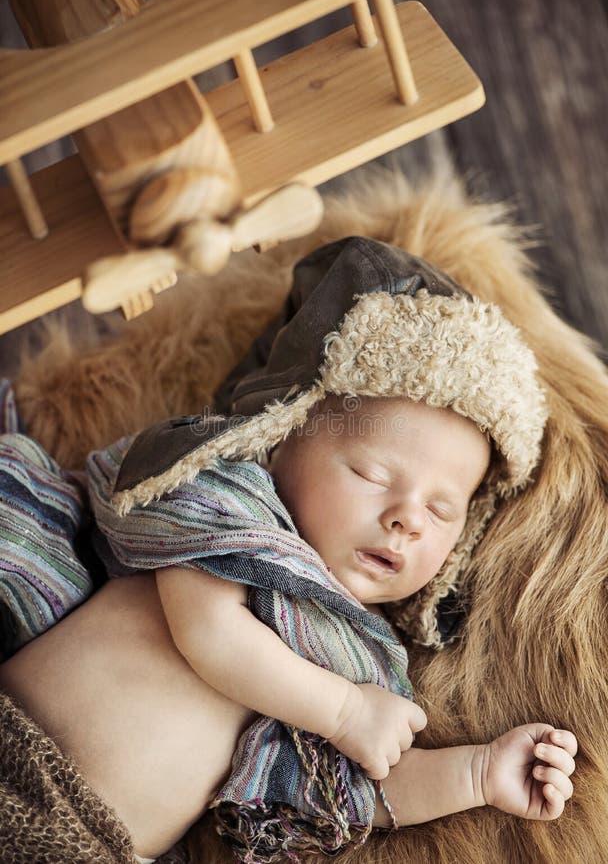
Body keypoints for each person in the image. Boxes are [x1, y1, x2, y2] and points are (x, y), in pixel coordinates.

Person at [0, 238, 576, 864]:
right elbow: (208, 632)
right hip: (17, 753)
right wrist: (345, 713)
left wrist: (478, 774)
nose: (408, 519)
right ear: (280, 439)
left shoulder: (357, 655)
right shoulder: (231, 505)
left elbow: (352, 793)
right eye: (372, 474)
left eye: (441, 511)